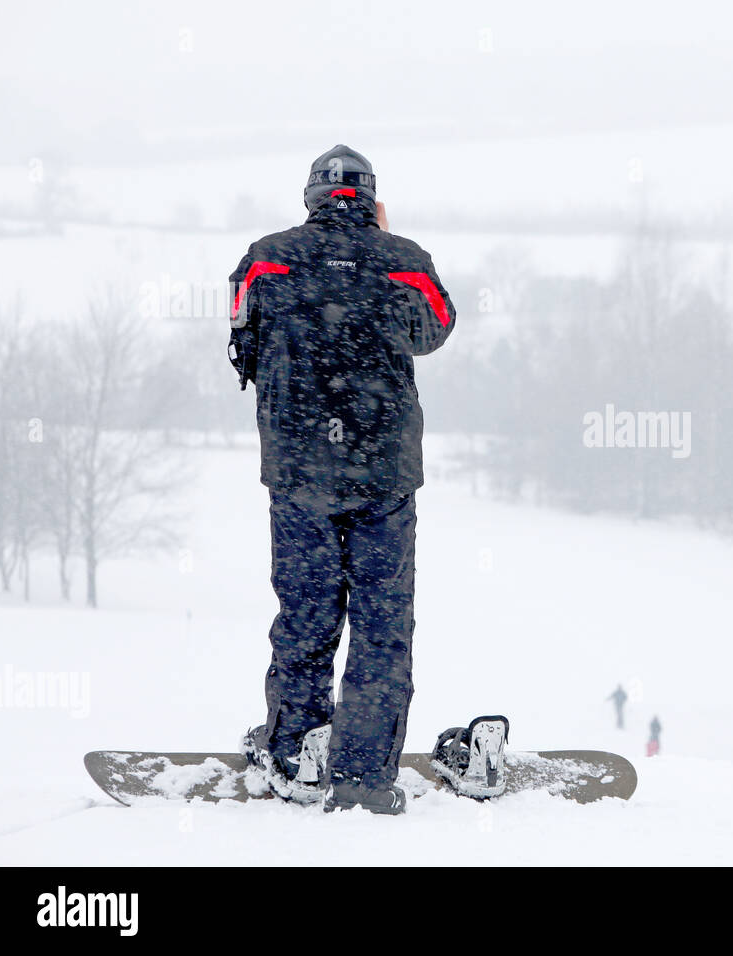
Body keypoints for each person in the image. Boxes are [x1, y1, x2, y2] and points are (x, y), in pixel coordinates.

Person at [229, 145, 457, 814]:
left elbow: (242, 334)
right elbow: (436, 330)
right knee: (383, 623)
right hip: (383, 475)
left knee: (304, 613)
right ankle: (363, 775)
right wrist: (380, 253)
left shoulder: (269, 257)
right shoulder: (405, 261)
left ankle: (295, 755)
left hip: (299, 472)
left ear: (311, 198)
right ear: (371, 200)